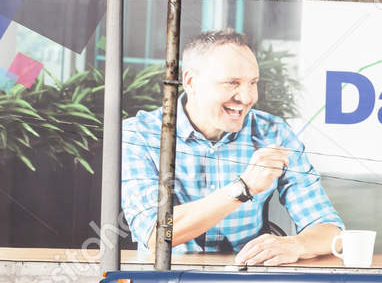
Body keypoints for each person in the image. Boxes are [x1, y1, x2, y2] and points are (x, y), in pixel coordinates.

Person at [121, 30, 343, 266]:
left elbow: (331, 231)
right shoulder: (140, 135)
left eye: (253, 83)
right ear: (190, 82)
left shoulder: (273, 133)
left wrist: (298, 245)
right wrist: (243, 188)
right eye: (232, 83)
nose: (246, 97)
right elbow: (156, 235)